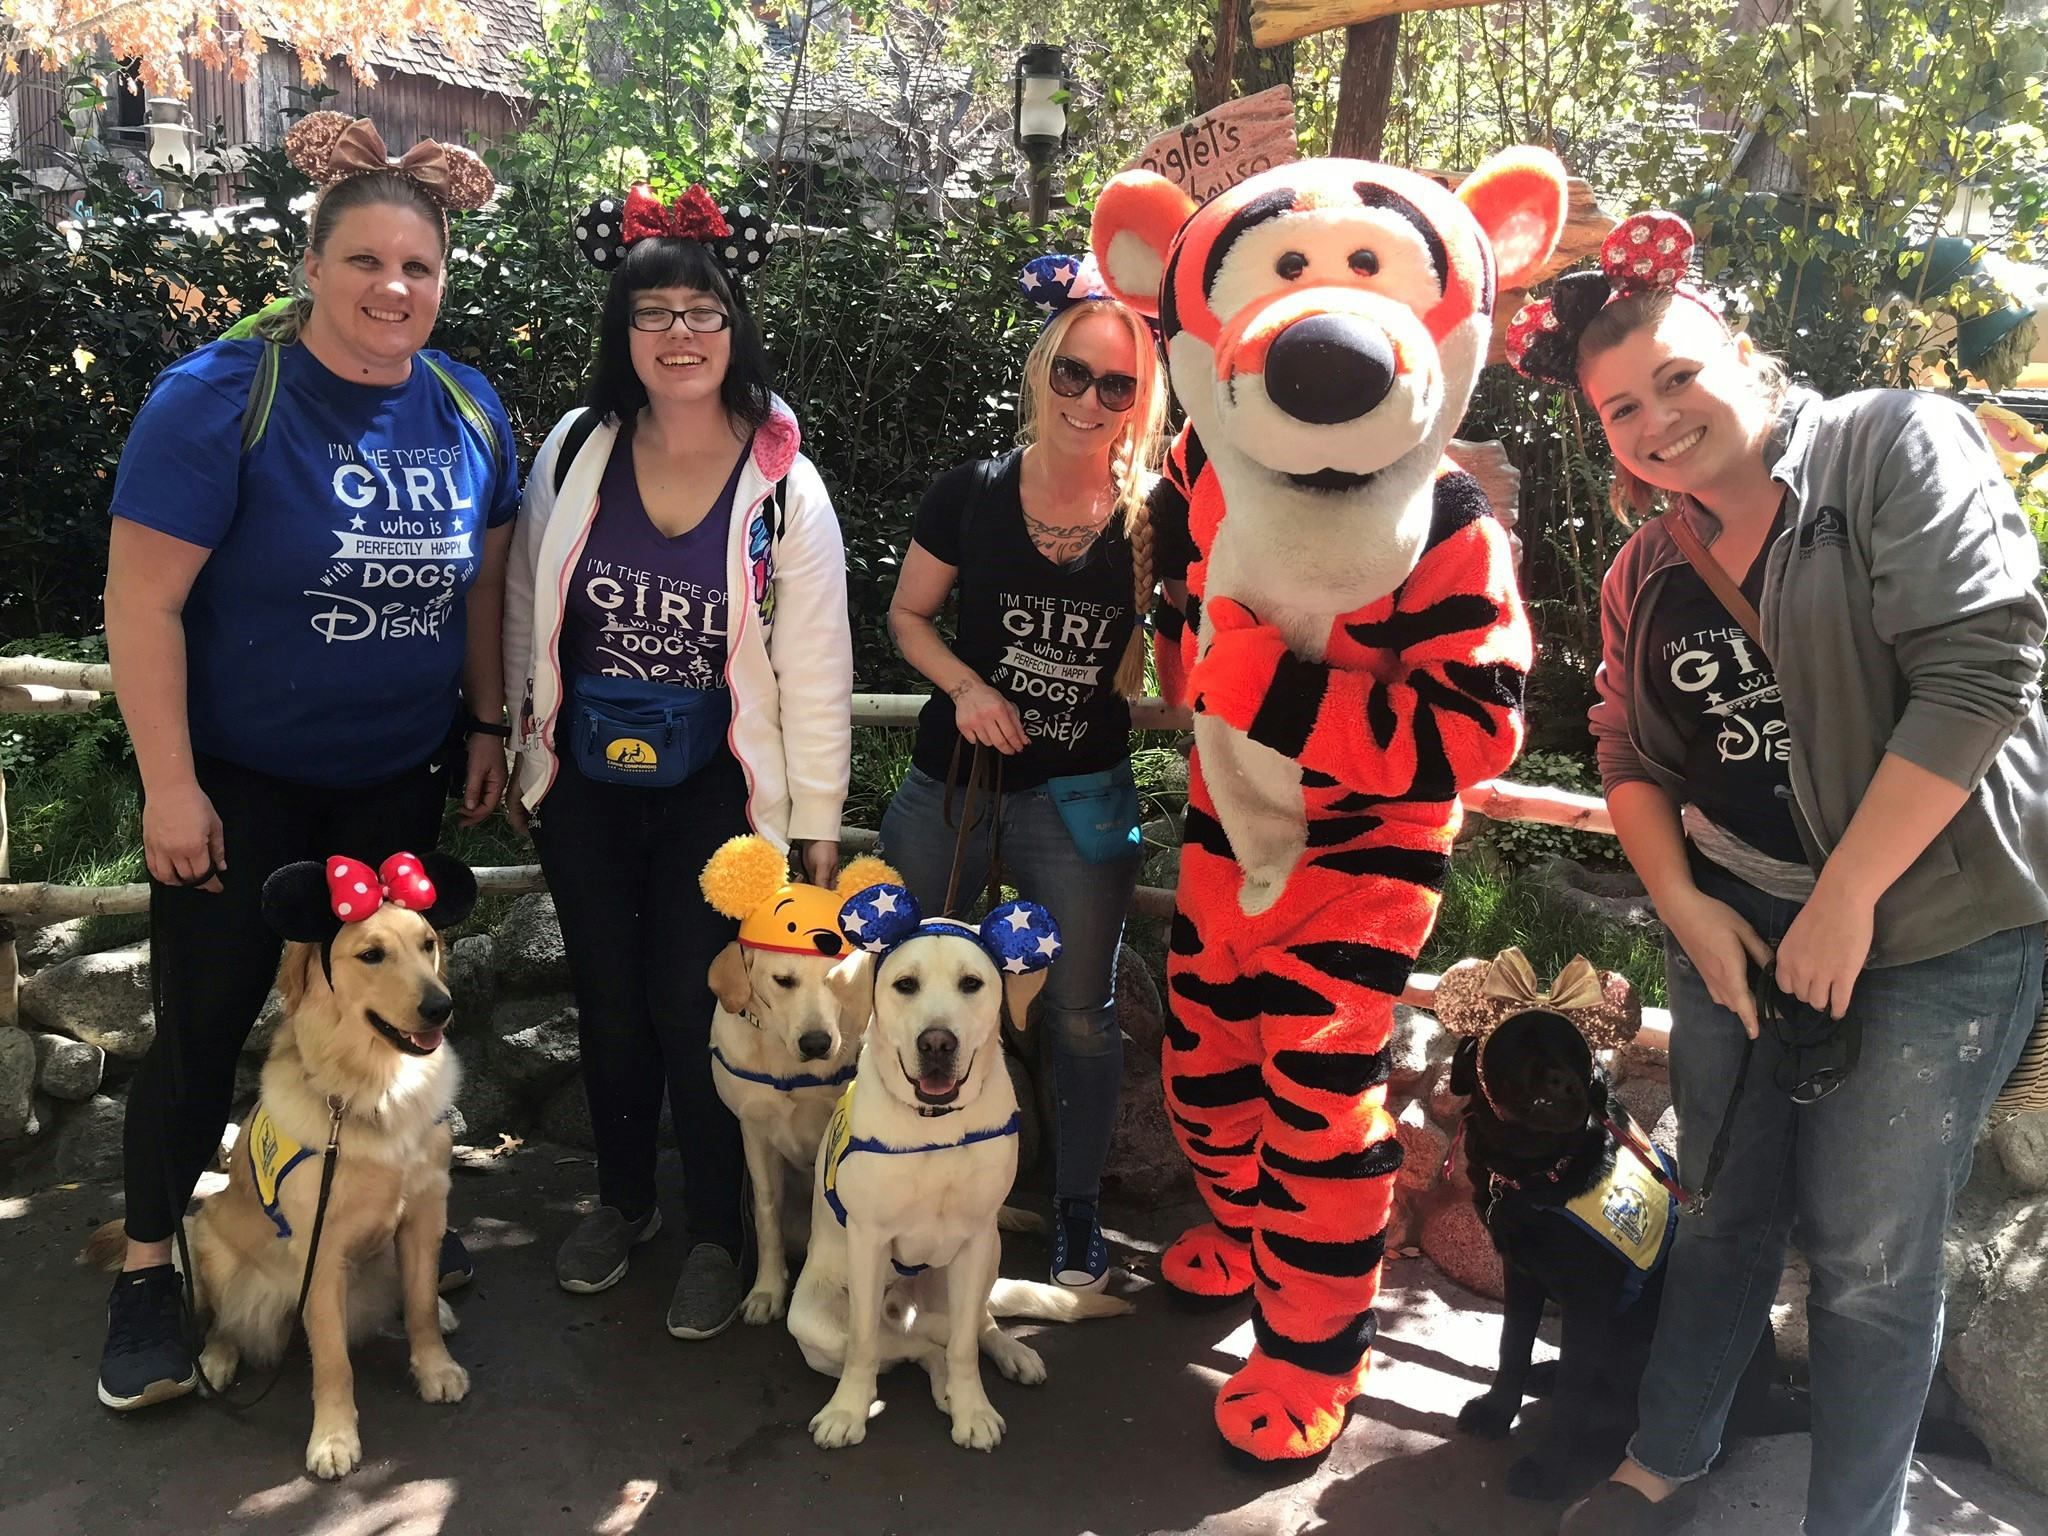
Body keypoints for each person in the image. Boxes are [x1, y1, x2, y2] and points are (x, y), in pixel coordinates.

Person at [1503, 210, 2048, 1536]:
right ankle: (1669, 1452)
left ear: (1748, 353)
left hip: (1930, 925)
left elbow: (1983, 667)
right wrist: (1689, 908)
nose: (1655, 420)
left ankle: (1852, 1522)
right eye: (1622, 406)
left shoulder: (1890, 446)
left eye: (1679, 377)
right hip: (1736, 916)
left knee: (1868, 1257)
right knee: (1722, 1206)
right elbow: (1627, 748)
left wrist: (1849, 897)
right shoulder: (1647, 565)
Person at [98, 111, 518, 1411]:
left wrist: (490, 724)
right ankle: (151, 1271)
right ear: (313, 266)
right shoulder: (220, 399)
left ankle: (372, 1226)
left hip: (393, 777)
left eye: (421, 268)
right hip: (243, 783)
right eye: (367, 262)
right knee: (208, 1026)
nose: (395, 289)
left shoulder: (466, 406)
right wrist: (171, 785)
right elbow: (142, 604)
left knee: (382, 1026)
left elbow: (484, 590)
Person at [503, 183, 851, 1338]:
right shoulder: (576, 448)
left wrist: (813, 829)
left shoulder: (781, 481)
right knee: (606, 1000)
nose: (679, 335)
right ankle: (620, 1200)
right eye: (652, 313)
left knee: (699, 1001)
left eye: (700, 311)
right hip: (587, 782)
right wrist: (518, 744)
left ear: (734, 327)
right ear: (623, 335)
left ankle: (718, 1230)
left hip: (721, 788)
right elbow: (526, 603)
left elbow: (814, 663)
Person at [875, 253, 1168, 1291]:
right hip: (948, 791)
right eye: (1073, 375)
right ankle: (905, 1181)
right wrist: (965, 686)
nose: (1091, 401)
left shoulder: (1156, 514)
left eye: (1117, 384)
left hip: (1078, 803)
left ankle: (1074, 1213)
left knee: (1078, 1015)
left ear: (1142, 398)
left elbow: (1208, 634)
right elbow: (907, 617)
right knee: (908, 985)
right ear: (1041, 370)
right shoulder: (972, 492)